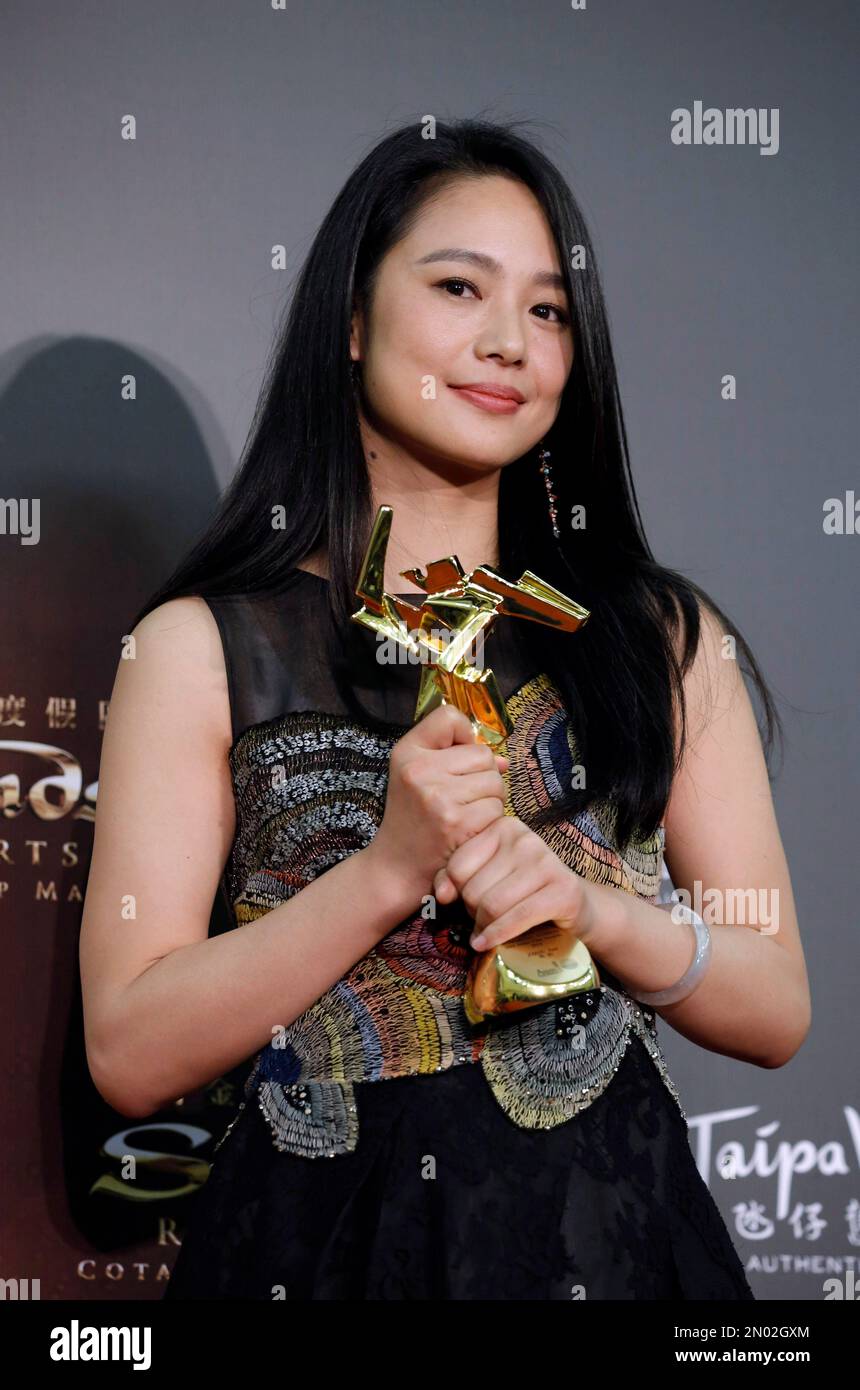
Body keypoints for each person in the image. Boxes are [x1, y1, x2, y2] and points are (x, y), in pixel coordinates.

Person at [79, 118, 810, 1300]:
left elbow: (775, 1004)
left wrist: (592, 909)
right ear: (354, 322)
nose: (504, 342)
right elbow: (127, 1046)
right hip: (319, 1251)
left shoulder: (661, 639)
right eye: (458, 286)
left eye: (545, 310)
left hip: (611, 1245)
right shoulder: (203, 649)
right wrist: (382, 872)